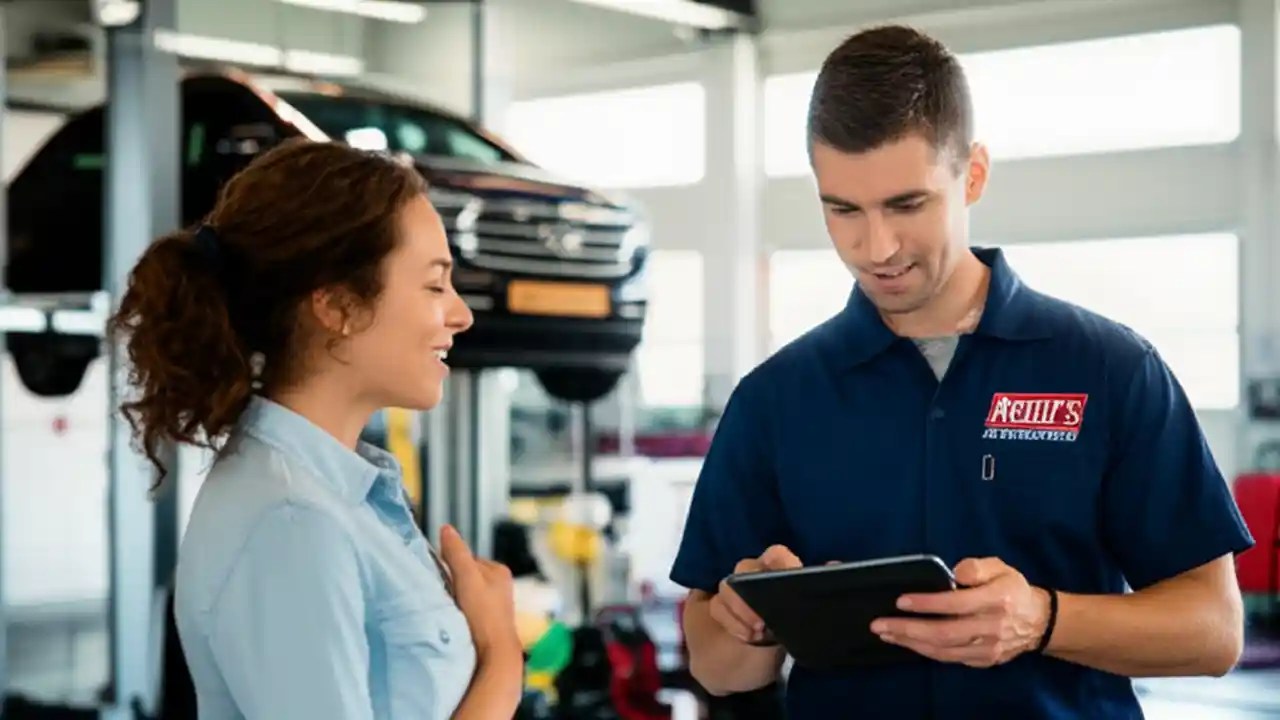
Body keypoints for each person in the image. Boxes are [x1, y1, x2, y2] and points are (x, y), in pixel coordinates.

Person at [669, 24, 1255, 719]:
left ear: (972, 174)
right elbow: (716, 664)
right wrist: (752, 622)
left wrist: (1041, 619)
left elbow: (1214, 631)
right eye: (843, 210)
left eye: (906, 205)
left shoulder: (1110, 370)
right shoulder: (774, 400)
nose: (876, 246)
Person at [107, 139, 524, 719]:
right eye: (434, 285)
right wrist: (501, 658)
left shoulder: (335, 497)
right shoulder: (293, 520)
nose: (461, 314)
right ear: (338, 306)